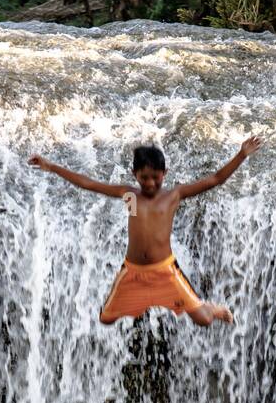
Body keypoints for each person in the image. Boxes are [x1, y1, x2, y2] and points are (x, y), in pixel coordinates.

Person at [27, 139, 262, 326]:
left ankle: (213, 308)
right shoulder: (129, 195)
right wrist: (51, 167)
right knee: (105, 319)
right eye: (144, 178)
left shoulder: (174, 196)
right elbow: (88, 183)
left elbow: (216, 179)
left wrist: (241, 154)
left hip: (165, 270)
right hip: (132, 271)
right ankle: (142, 299)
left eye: (155, 177)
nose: (149, 183)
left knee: (202, 319)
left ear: (165, 173)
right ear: (134, 175)